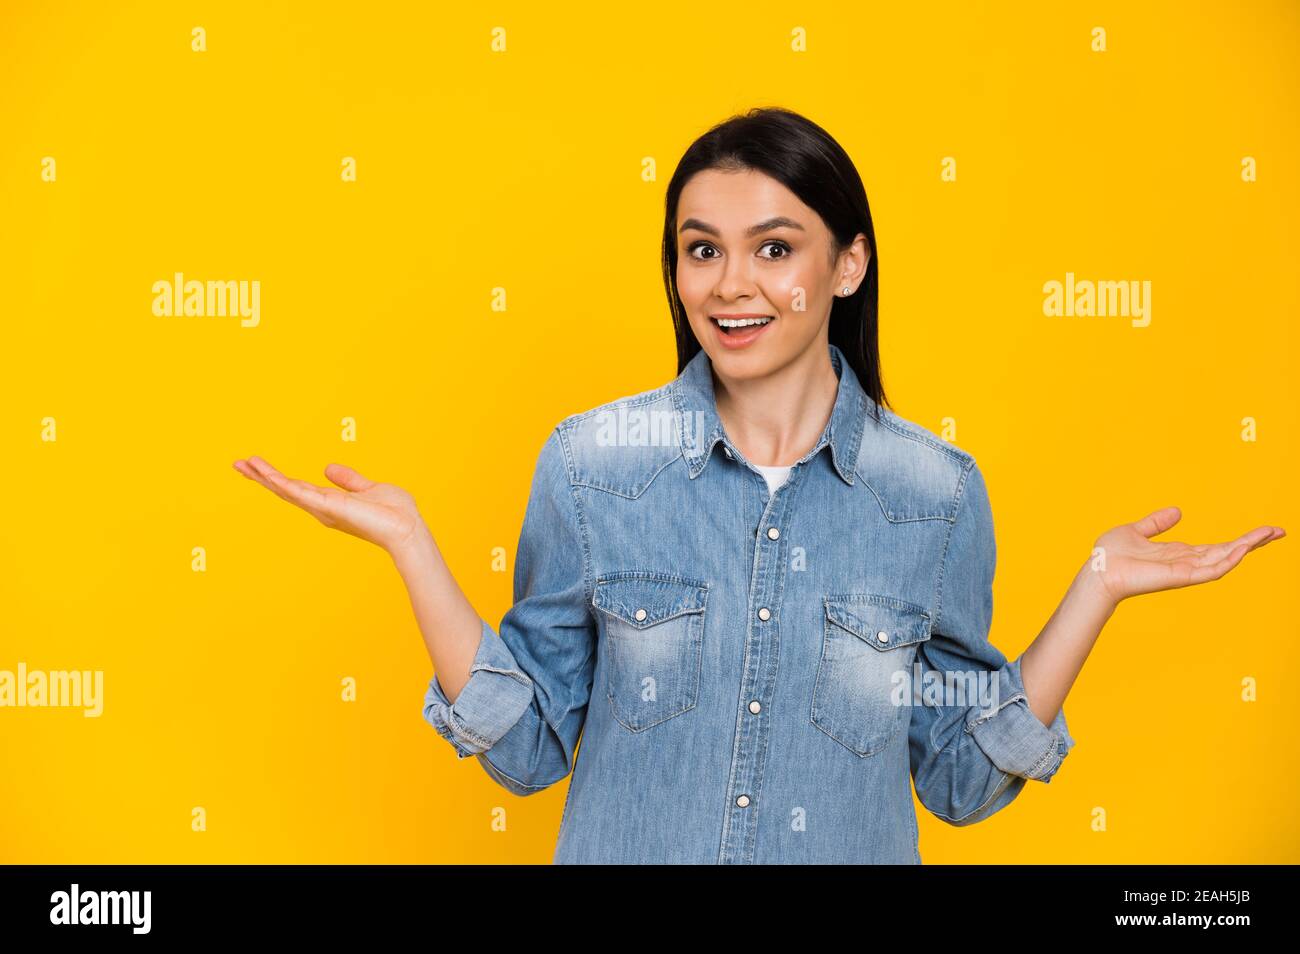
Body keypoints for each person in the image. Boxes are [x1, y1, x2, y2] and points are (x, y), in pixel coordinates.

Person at [233, 107, 1285, 864]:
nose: (730, 285)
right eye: (701, 251)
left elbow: (960, 781)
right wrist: (415, 550)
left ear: (846, 265)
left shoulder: (935, 494)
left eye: (773, 248)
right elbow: (526, 753)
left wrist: (1093, 588)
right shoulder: (594, 465)